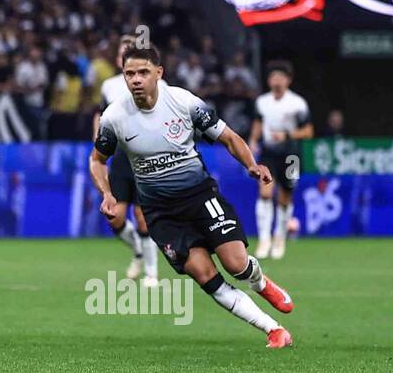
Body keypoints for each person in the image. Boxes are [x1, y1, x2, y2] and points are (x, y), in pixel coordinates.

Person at [90, 46, 295, 348]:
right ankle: (274, 329)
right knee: (204, 274)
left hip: (199, 197)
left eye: (143, 72)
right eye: (129, 73)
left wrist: (251, 165)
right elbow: (97, 159)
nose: (135, 79)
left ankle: (261, 283)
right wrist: (107, 193)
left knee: (236, 264)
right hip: (161, 213)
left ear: (159, 73)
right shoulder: (115, 116)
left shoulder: (184, 102)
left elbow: (228, 137)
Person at [93, 35, 158, 286]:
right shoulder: (109, 86)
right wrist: (97, 137)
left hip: (144, 155)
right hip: (120, 156)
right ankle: (139, 251)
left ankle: (151, 273)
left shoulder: (151, 82)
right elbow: (99, 114)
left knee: (142, 216)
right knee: (115, 217)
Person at [249, 61, 312, 259]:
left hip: (291, 155)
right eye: (273, 77)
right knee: (265, 193)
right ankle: (264, 238)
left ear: (288, 80)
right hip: (268, 152)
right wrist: (253, 140)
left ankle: (280, 237)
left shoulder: (298, 103)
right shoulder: (262, 102)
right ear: (268, 80)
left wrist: (287, 135)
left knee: (285, 197)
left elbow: (308, 131)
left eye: (280, 77)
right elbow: (258, 122)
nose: (276, 81)